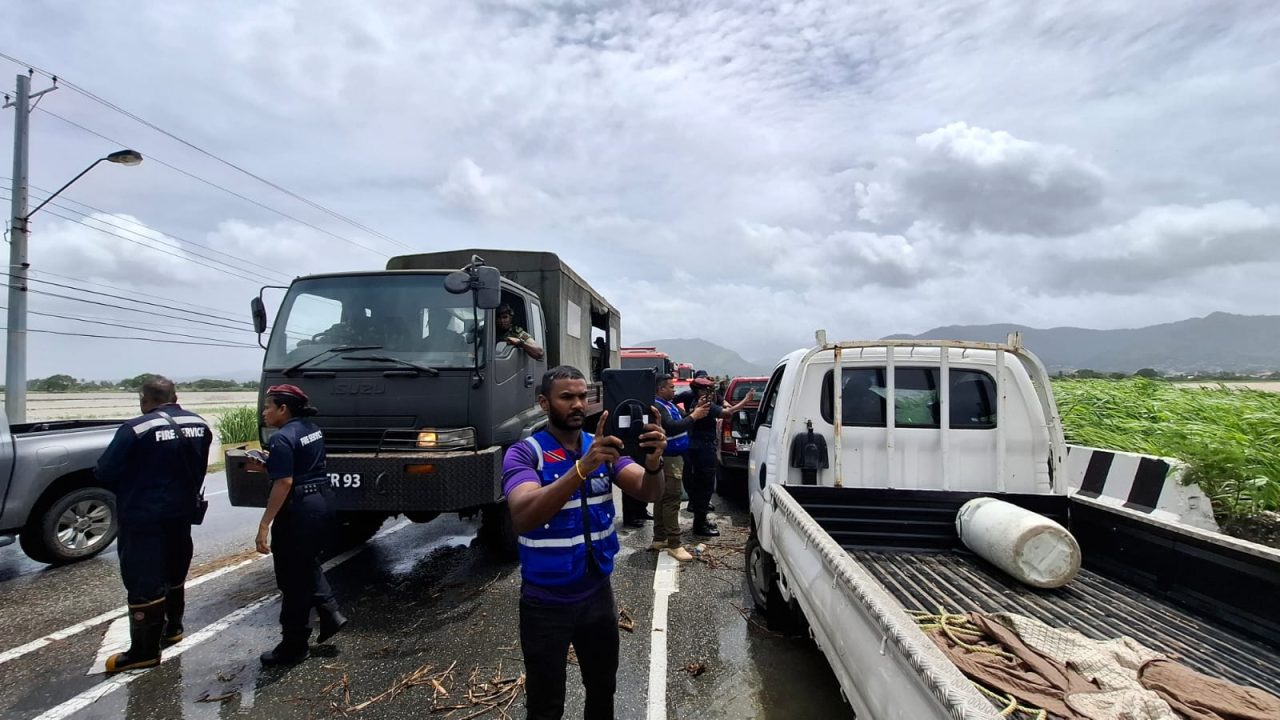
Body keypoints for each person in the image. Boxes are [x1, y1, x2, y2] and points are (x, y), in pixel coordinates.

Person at [503, 366, 665, 720]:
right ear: (545, 403)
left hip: (597, 597)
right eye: (567, 397)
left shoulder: (602, 448)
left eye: (582, 396)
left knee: (603, 689)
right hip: (545, 603)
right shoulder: (524, 453)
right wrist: (580, 470)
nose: (577, 404)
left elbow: (647, 490)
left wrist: (653, 464)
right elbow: (523, 514)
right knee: (545, 706)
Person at [96, 377, 212, 672]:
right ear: (176, 396)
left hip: (144, 517)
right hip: (182, 513)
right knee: (175, 571)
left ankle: (144, 652)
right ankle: (173, 628)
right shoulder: (200, 424)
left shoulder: (135, 428)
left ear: (144, 398)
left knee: (144, 579)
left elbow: (106, 471)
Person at [252, 384, 348, 666]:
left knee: (292, 580)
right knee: (306, 564)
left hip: (298, 510)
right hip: (321, 501)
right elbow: (300, 465)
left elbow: (284, 482)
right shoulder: (311, 429)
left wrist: (264, 524)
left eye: (269, 406)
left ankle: (293, 645)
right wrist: (270, 465)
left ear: (284, 409)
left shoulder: (282, 438)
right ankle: (330, 614)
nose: (264, 411)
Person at [675, 377, 755, 537]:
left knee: (700, 485)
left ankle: (701, 520)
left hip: (695, 446)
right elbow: (727, 413)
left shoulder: (695, 402)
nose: (711, 393)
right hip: (703, 448)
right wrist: (745, 401)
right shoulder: (705, 405)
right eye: (708, 390)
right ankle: (699, 526)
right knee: (705, 486)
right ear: (701, 391)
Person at [651, 373, 709, 562]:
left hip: (673, 456)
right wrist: (695, 415)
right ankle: (674, 544)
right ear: (661, 389)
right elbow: (672, 427)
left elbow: (684, 418)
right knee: (671, 500)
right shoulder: (658, 405)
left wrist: (696, 410)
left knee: (662, 497)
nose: (674, 391)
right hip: (669, 458)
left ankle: (660, 538)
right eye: (671, 387)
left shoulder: (668, 404)